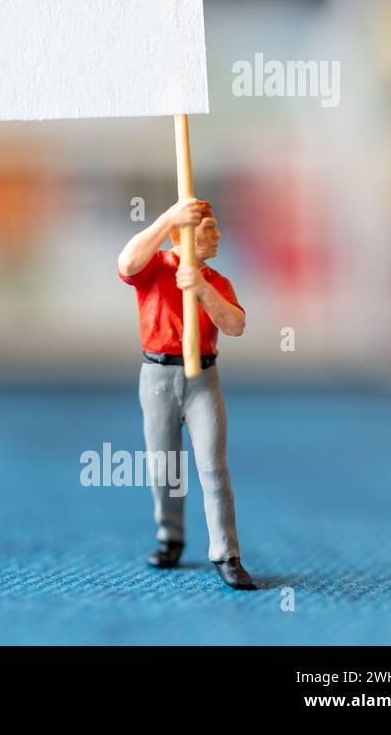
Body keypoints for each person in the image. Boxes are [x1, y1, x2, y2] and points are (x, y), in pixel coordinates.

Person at [116, 198, 255, 590]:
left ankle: (226, 553)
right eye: (210, 228)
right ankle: (170, 536)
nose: (219, 235)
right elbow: (126, 264)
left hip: (202, 380)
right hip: (158, 376)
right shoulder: (154, 267)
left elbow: (236, 324)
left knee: (212, 465)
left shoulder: (216, 281)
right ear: (186, 235)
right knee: (164, 465)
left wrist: (202, 290)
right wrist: (168, 218)